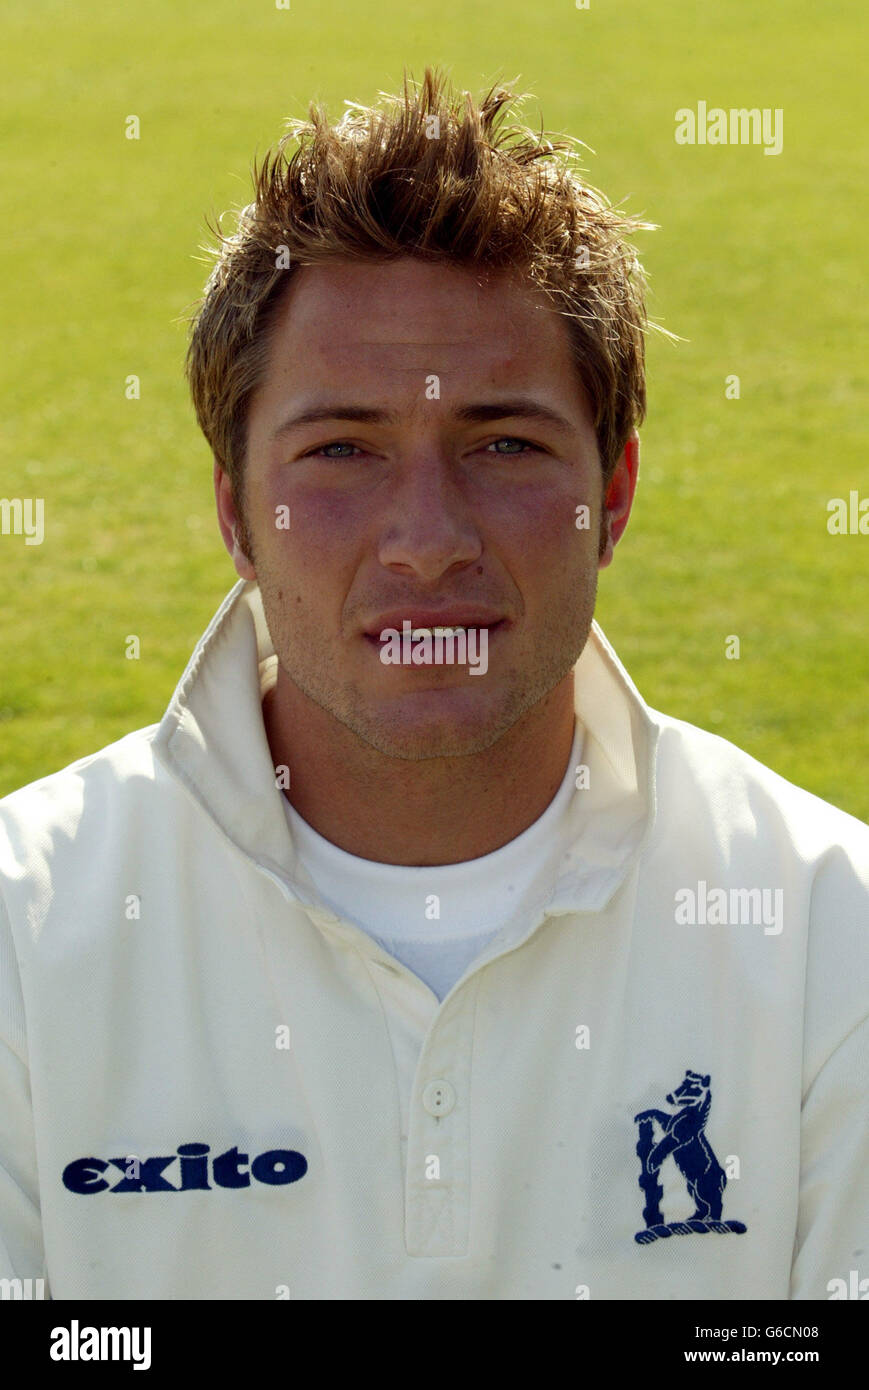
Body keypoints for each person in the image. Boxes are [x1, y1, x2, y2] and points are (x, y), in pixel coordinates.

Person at [0, 68, 866, 1302]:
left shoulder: (829, 935)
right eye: (341, 449)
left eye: (502, 444)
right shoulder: (23, 943)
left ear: (609, 497)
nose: (427, 537)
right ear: (235, 512)